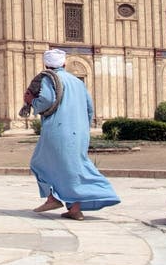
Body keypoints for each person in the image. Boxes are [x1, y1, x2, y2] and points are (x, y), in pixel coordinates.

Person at [25, 48, 120, 221]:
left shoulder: (49, 79)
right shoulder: (77, 82)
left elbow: (45, 100)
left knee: (38, 163)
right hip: (79, 132)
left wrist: (32, 101)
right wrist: (83, 126)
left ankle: (52, 198)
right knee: (73, 168)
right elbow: (89, 108)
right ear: (64, 63)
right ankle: (75, 209)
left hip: (58, 130)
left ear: (46, 64)